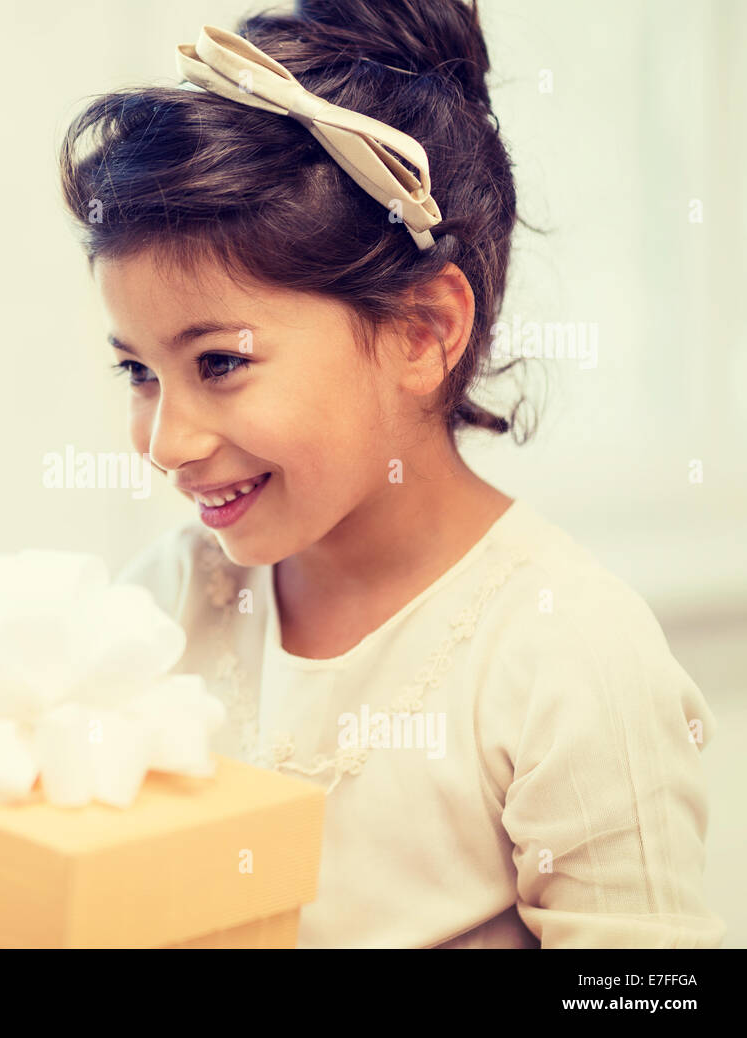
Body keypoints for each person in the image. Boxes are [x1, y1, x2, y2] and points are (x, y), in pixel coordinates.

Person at [56, 0, 726, 948]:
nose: (166, 442)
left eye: (219, 363)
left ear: (422, 332)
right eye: (138, 371)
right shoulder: (169, 603)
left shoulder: (564, 656)